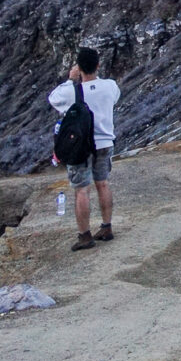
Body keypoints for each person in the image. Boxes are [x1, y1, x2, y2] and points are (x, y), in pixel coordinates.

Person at [49, 47, 121, 251]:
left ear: (78, 67)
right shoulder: (110, 86)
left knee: (82, 189)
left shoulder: (71, 91)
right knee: (103, 184)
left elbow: (53, 99)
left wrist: (71, 79)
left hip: (81, 146)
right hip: (105, 142)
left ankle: (84, 235)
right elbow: (114, 98)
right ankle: (106, 227)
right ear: (98, 65)